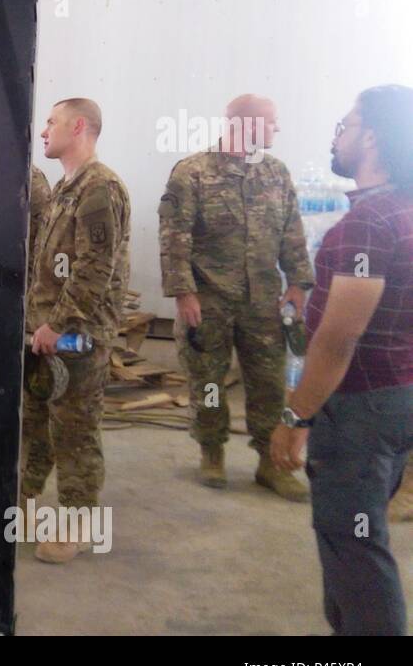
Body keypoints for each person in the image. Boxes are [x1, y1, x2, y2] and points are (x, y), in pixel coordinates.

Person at [270, 85, 413, 636]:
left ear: (372, 136)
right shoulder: (400, 209)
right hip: (393, 399)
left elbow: (338, 339)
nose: (338, 135)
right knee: (353, 537)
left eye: (345, 126)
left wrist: (295, 416)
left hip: (359, 408)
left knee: (355, 547)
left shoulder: (368, 223)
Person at [159, 94, 313, 500]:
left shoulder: (277, 174)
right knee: (207, 380)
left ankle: (269, 463)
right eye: (271, 121)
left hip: (264, 302)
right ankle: (212, 452)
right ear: (245, 123)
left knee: (268, 384)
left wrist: (298, 284)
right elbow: (176, 237)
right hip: (208, 299)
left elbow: (292, 234)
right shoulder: (192, 172)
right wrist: (183, 293)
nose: (276, 129)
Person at [21, 98, 131, 563]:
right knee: (36, 425)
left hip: (77, 337)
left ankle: (78, 525)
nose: (44, 131)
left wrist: (56, 324)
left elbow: (93, 270)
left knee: (75, 430)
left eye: (52, 122)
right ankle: (22, 507)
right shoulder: (66, 188)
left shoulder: (100, 189)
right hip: (45, 332)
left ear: (79, 126)